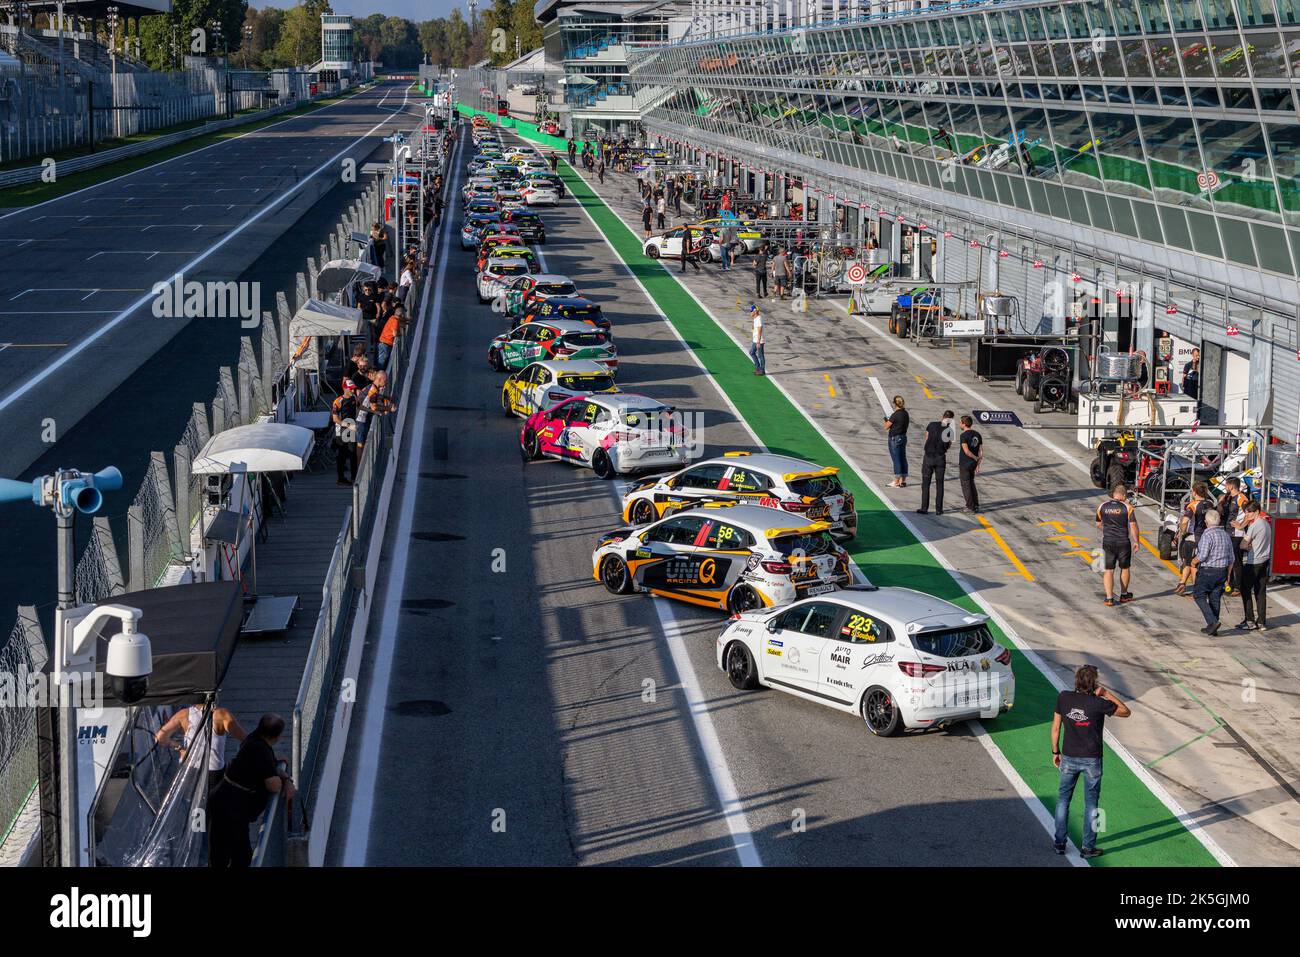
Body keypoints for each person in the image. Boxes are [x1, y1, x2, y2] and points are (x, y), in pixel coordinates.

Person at [1050, 665, 1130, 858]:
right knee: (1092, 804)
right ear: (1094, 683)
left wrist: (1055, 752)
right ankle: (1088, 847)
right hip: (1092, 760)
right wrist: (1106, 693)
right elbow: (1126, 711)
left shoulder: (1064, 697)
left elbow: (1055, 728)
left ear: (1076, 681)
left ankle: (1060, 843)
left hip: (1068, 757)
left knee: (1063, 801)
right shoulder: (1099, 703)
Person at [208, 714, 294, 868]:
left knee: (233, 854)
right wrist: (286, 781)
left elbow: (271, 767)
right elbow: (273, 785)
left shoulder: (254, 740)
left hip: (227, 805)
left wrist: (283, 776)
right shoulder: (260, 749)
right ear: (278, 737)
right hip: (230, 809)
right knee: (231, 856)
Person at [155, 704, 247, 788]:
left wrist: (180, 748)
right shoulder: (221, 714)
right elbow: (246, 739)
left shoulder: (183, 714)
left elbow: (160, 737)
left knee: (191, 802)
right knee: (212, 802)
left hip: (189, 768)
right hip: (213, 770)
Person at [1191, 509, 1234, 636]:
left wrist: (1193, 561)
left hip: (1208, 571)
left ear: (1206, 522)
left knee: (1199, 595)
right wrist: (1228, 575)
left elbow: (1203, 555)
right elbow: (1232, 558)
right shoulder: (1225, 535)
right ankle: (1213, 626)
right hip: (1222, 571)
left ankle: (1212, 621)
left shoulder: (1207, 535)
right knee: (1215, 598)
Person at [1096, 484, 1139, 606]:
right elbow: (1133, 526)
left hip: (1108, 541)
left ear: (1114, 494)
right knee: (1124, 568)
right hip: (1123, 542)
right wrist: (1136, 541)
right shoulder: (1127, 507)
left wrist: (1109, 529)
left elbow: (1098, 524)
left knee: (1108, 570)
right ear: (1124, 495)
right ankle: (1124, 594)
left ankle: (1109, 598)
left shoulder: (1102, 506)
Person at [1174, 482, 1213, 595]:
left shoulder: (1193, 505)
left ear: (1194, 492)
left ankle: (1197, 591)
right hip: (1206, 535)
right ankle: (1182, 583)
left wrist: (1182, 532)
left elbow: (1185, 521)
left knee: (1192, 564)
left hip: (1193, 537)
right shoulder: (1210, 503)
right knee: (1189, 561)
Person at [1238, 500, 1271, 631]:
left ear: (1257, 511)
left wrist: (1247, 546)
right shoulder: (1266, 524)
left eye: (1249, 512)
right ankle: (1262, 622)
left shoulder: (1254, 525)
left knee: (1245, 589)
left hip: (1254, 562)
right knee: (1261, 592)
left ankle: (1250, 620)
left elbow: (1243, 544)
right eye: (1246, 512)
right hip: (1265, 560)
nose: (1247, 515)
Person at [917, 410, 954, 515]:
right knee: (940, 484)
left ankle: (924, 508)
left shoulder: (932, 425)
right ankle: (939, 509)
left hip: (928, 456)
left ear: (942, 416)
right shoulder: (950, 430)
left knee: (926, 483)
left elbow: (927, 437)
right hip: (940, 458)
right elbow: (949, 444)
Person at [1218, 476, 1250, 594]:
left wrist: (1241, 525)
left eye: (1226, 485)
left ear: (1231, 486)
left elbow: (1249, 513)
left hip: (1237, 534)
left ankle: (1238, 586)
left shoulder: (1241, 497)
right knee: (1228, 559)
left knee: (1236, 560)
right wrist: (1220, 502)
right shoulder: (1227, 497)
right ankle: (1229, 583)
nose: (1225, 487)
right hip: (1227, 532)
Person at [356, 371, 396, 453]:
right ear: (379, 379)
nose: (386, 383)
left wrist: (386, 397)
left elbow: (374, 397)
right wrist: (388, 408)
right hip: (361, 420)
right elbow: (374, 407)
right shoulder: (373, 389)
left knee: (362, 444)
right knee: (360, 445)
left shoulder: (372, 386)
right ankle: (360, 464)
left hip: (363, 418)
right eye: (385, 381)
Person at [332, 379, 361, 486]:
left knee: (353, 453)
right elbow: (335, 419)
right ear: (344, 388)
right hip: (342, 430)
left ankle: (354, 477)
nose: (353, 390)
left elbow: (360, 407)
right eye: (351, 389)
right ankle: (341, 478)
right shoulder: (338, 401)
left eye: (353, 388)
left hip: (351, 428)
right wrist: (349, 426)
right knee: (342, 454)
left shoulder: (354, 398)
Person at [882, 396, 910, 488]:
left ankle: (896, 481)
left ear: (895, 403)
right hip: (903, 437)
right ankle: (903, 480)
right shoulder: (906, 413)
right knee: (903, 458)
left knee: (896, 460)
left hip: (895, 438)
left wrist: (886, 420)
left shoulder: (895, 414)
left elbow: (886, 427)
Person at [958, 415, 983, 512]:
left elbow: (966, 451)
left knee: (966, 485)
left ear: (964, 424)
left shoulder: (963, 436)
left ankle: (970, 507)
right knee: (971, 483)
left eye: (960, 422)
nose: (959, 424)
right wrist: (978, 463)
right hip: (973, 464)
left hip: (965, 463)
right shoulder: (977, 434)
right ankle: (975, 504)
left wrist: (974, 457)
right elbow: (981, 451)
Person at [748, 303, 765, 375]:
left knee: (760, 355)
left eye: (751, 311)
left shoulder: (758, 319)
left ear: (755, 311)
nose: (750, 312)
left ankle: (762, 370)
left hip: (759, 341)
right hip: (755, 340)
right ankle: (758, 368)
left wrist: (758, 341)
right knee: (751, 352)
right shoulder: (755, 318)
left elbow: (760, 329)